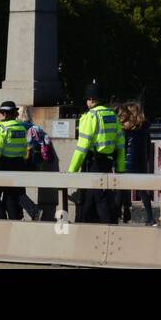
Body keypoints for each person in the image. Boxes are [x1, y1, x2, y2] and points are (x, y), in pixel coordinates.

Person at [67, 81, 125, 223]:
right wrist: (120, 168)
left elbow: (82, 147)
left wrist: (71, 172)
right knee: (103, 196)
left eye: (87, 99)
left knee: (92, 198)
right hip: (108, 162)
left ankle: (93, 226)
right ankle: (107, 224)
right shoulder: (112, 115)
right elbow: (120, 144)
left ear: (91, 99)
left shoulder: (90, 116)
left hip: (93, 162)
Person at [0, 101, 28, 220]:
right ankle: (15, 222)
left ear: (4, 114)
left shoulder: (1, 129)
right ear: (14, 113)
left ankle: (0, 219)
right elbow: (25, 150)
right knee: (11, 197)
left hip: (2, 167)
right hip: (18, 165)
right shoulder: (21, 128)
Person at [119, 102, 155, 225]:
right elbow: (148, 147)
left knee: (121, 190)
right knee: (143, 191)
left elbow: (122, 147)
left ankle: (121, 214)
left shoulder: (126, 130)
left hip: (127, 162)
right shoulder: (144, 129)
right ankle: (150, 217)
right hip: (141, 163)